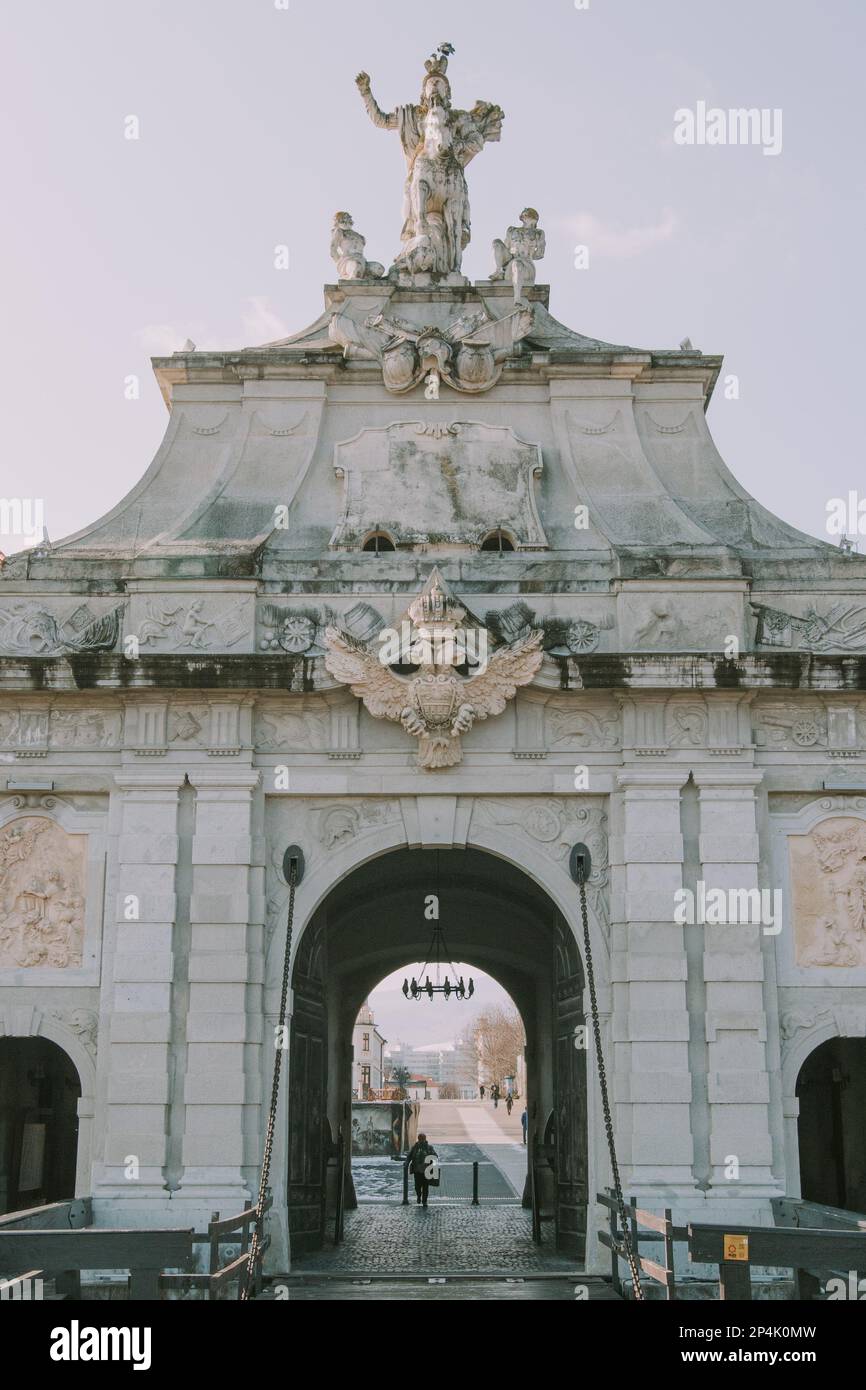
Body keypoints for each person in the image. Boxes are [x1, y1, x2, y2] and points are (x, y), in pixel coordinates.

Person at [405, 1132, 438, 1208]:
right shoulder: (415, 1147)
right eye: (420, 1139)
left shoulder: (429, 1147)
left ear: (425, 1139)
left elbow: (435, 1156)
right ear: (418, 1139)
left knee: (425, 1186)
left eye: (423, 1139)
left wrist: (433, 1163)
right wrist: (406, 1163)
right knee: (417, 1186)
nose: (421, 1140)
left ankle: (424, 1201)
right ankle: (419, 1195)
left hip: (426, 1171)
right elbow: (409, 1156)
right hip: (417, 1170)